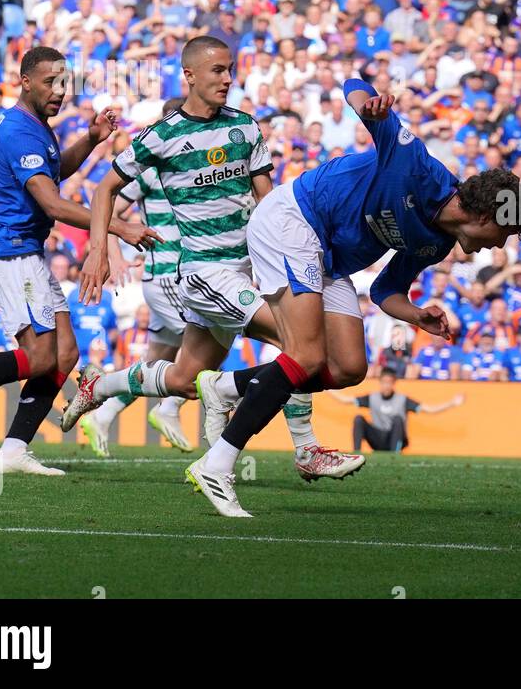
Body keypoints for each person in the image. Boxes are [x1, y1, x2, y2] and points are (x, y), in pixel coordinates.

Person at [152, 77, 521, 516]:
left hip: (327, 256)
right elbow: (354, 84)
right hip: (294, 218)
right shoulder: (414, 165)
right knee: (306, 356)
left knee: (348, 367)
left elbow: (387, 289)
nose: (499, 246)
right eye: (503, 232)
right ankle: (218, 464)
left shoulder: (437, 244)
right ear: (483, 214)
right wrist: (369, 107)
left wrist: (416, 315)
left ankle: (226, 385)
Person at [76, 37, 347, 483]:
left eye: (230, 69)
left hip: (249, 270)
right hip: (204, 272)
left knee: (184, 378)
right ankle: (306, 447)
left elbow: (267, 201)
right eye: (217, 70)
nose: (227, 78)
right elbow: (103, 189)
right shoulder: (160, 136)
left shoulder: (245, 127)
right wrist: (98, 251)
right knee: (300, 344)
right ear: (189, 75)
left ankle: (99, 386)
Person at [0, 46, 157, 472]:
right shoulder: (21, 131)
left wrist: (92, 140)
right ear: (24, 82)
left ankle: (14, 450)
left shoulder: (36, 125)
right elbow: (53, 204)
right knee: (40, 358)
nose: (58, 92)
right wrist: (118, 225)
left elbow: (53, 172)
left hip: (25, 251)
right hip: (10, 252)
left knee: (64, 355)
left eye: (63, 83)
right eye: (49, 83)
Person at [78, 100, 191, 456]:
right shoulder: (150, 169)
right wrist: (113, 254)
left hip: (185, 278)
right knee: (211, 337)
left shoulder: (196, 167)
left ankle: (102, 413)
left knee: (156, 362)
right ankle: (170, 408)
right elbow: (107, 203)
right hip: (167, 277)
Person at [333, 365, 463, 453]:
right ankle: (356, 454)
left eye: (389, 382)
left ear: (394, 383)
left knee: (398, 419)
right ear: (380, 382)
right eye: (384, 382)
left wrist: (452, 403)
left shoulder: (402, 399)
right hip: (378, 439)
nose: (386, 386)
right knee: (358, 419)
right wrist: (324, 387)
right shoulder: (372, 398)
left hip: (394, 439)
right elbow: (345, 400)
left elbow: (430, 409)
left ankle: (394, 455)